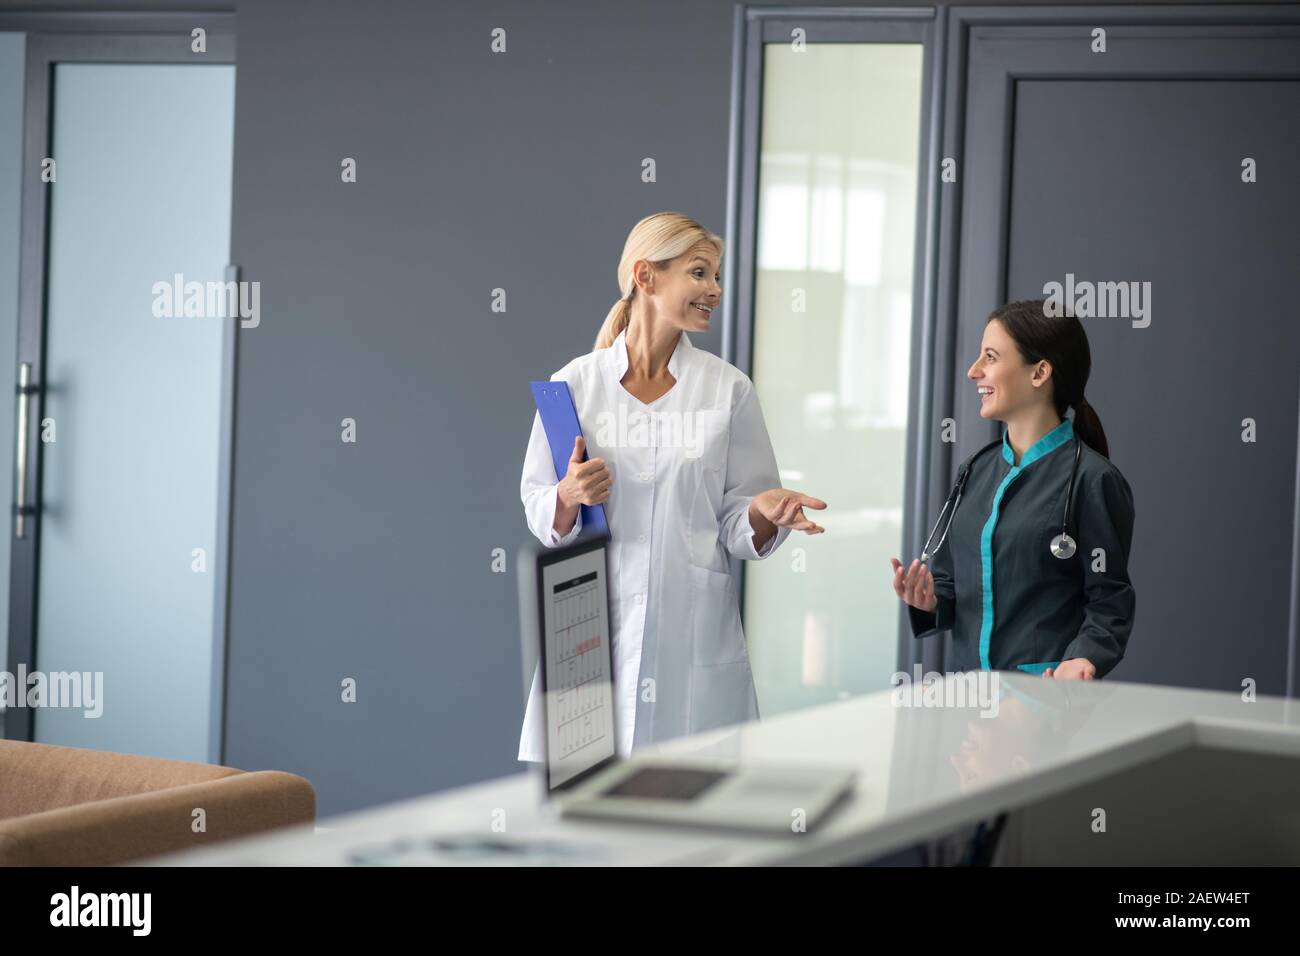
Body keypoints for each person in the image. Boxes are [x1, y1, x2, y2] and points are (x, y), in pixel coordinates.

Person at [518, 211, 827, 761]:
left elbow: (736, 522)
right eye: (700, 273)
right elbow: (540, 506)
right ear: (646, 277)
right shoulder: (575, 385)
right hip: (587, 637)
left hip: (690, 644)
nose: (715, 289)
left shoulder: (727, 389)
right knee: (586, 831)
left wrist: (762, 508)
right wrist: (567, 495)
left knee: (688, 831)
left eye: (715, 276)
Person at [892, 298, 1135, 678]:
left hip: (1045, 704)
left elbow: (1109, 598)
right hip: (970, 702)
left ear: (1039, 373)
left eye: (990, 357)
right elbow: (949, 583)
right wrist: (928, 601)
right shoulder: (974, 471)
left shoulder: (1092, 480)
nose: (974, 371)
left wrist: (1083, 658)